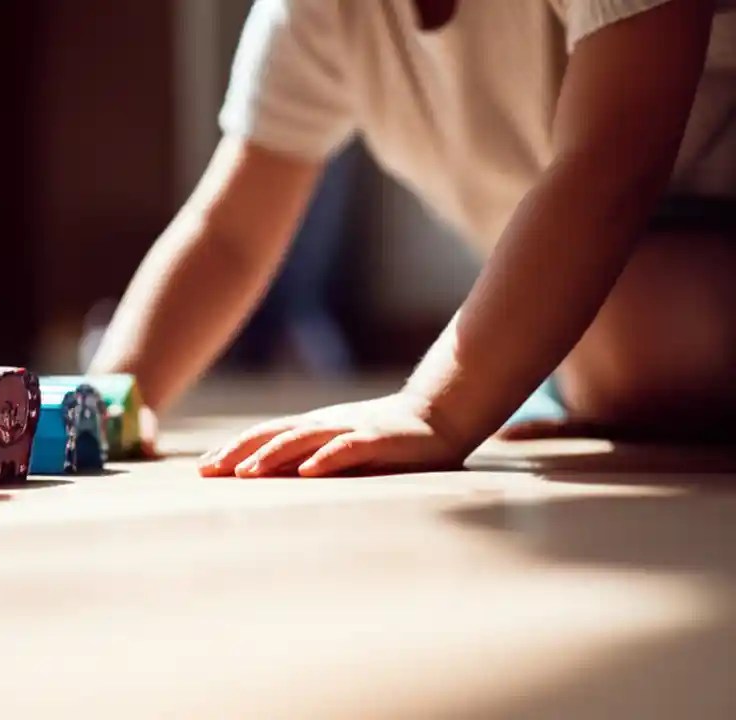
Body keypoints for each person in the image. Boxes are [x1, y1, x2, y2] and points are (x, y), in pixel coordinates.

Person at [87, 0, 736, 477]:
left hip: (696, 246)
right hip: (614, 297)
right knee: (615, 338)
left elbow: (610, 165)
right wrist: (111, 397)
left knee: (640, 333)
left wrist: (437, 410)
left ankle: (561, 373)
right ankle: (561, 372)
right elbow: (228, 234)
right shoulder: (314, 14)